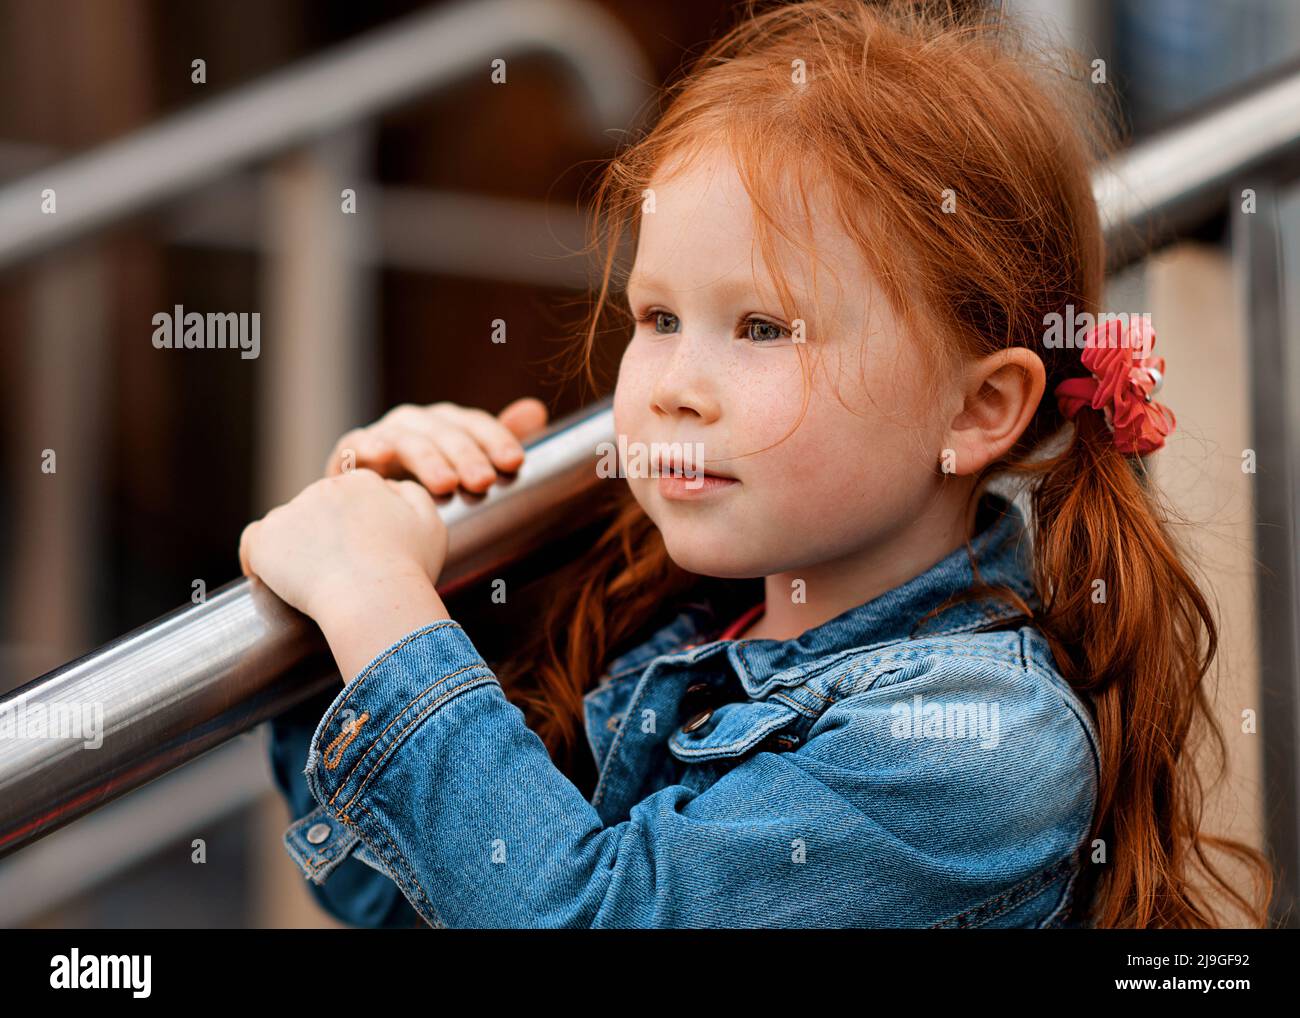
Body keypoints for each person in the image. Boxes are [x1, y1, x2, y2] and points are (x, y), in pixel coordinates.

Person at [245, 0, 1273, 928]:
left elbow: (579, 915)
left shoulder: (972, 742)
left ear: (975, 408)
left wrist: (382, 613)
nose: (673, 386)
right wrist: (362, 597)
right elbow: (396, 896)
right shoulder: (691, 624)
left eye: (761, 326)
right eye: (657, 317)